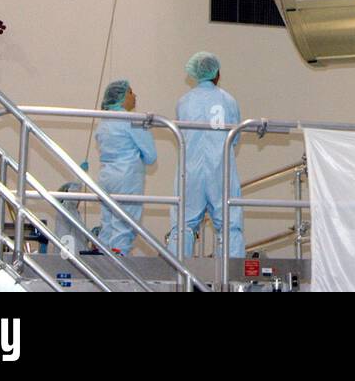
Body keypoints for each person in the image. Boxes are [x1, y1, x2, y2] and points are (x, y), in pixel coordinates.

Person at [168, 52, 243, 258]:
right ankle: (231, 283)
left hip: (189, 172)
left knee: (183, 225)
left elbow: (181, 136)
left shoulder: (184, 102)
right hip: (221, 171)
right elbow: (235, 138)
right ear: (217, 73)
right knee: (229, 225)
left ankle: (177, 282)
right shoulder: (228, 100)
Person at [94, 80, 157, 255]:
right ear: (121, 97)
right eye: (130, 92)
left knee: (108, 224)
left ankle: (102, 260)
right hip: (127, 177)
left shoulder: (103, 123)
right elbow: (151, 156)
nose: (134, 96)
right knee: (124, 225)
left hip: (106, 178)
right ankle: (118, 265)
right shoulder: (131, 120)